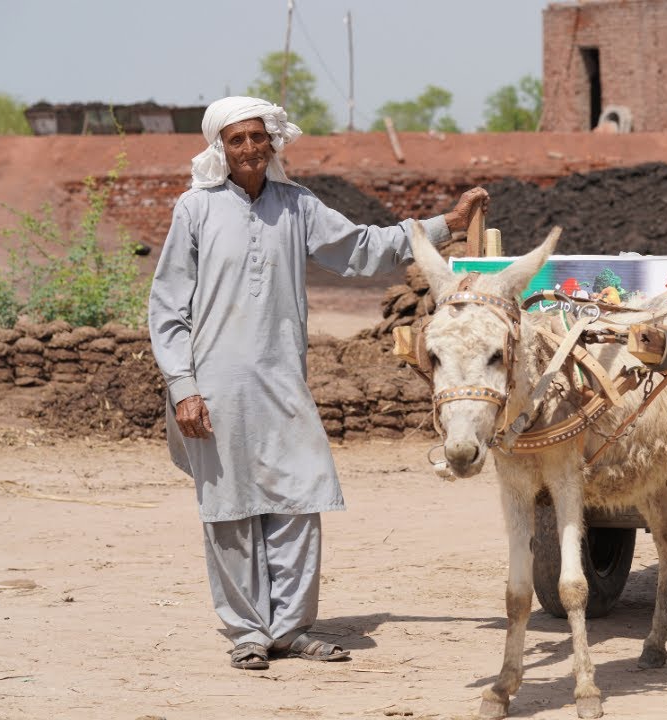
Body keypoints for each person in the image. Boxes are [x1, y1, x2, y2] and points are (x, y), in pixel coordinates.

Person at [147, 96, 488, 671]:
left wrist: (444, 226)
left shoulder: (297, 205)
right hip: (214, 383)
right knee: (229, 509)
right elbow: (167, 306)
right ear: (219, 148)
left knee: (299, 495)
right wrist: (183, 386)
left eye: (258, 136)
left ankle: (291, 627)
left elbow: (360, 248)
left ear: (274, 141)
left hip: (282, 379)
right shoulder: (194, 209)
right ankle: (248, 631)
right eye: (237, 140)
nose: (250, 148)